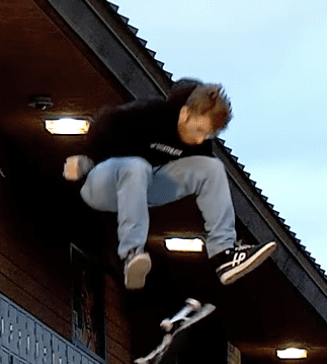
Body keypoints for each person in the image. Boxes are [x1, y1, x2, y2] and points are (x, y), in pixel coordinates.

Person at [63, 80, 277, 291]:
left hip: (143, 189)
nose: (201, 139)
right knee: (137, 166)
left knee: (212, 168)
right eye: (199, 130)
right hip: (101, 185)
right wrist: (86, 158)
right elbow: (105, 122)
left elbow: (214, 196)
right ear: (185, 114)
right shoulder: (150, 114)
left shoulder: (200, 147)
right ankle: (131, 253)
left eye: (208, 134)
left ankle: (225, 254)